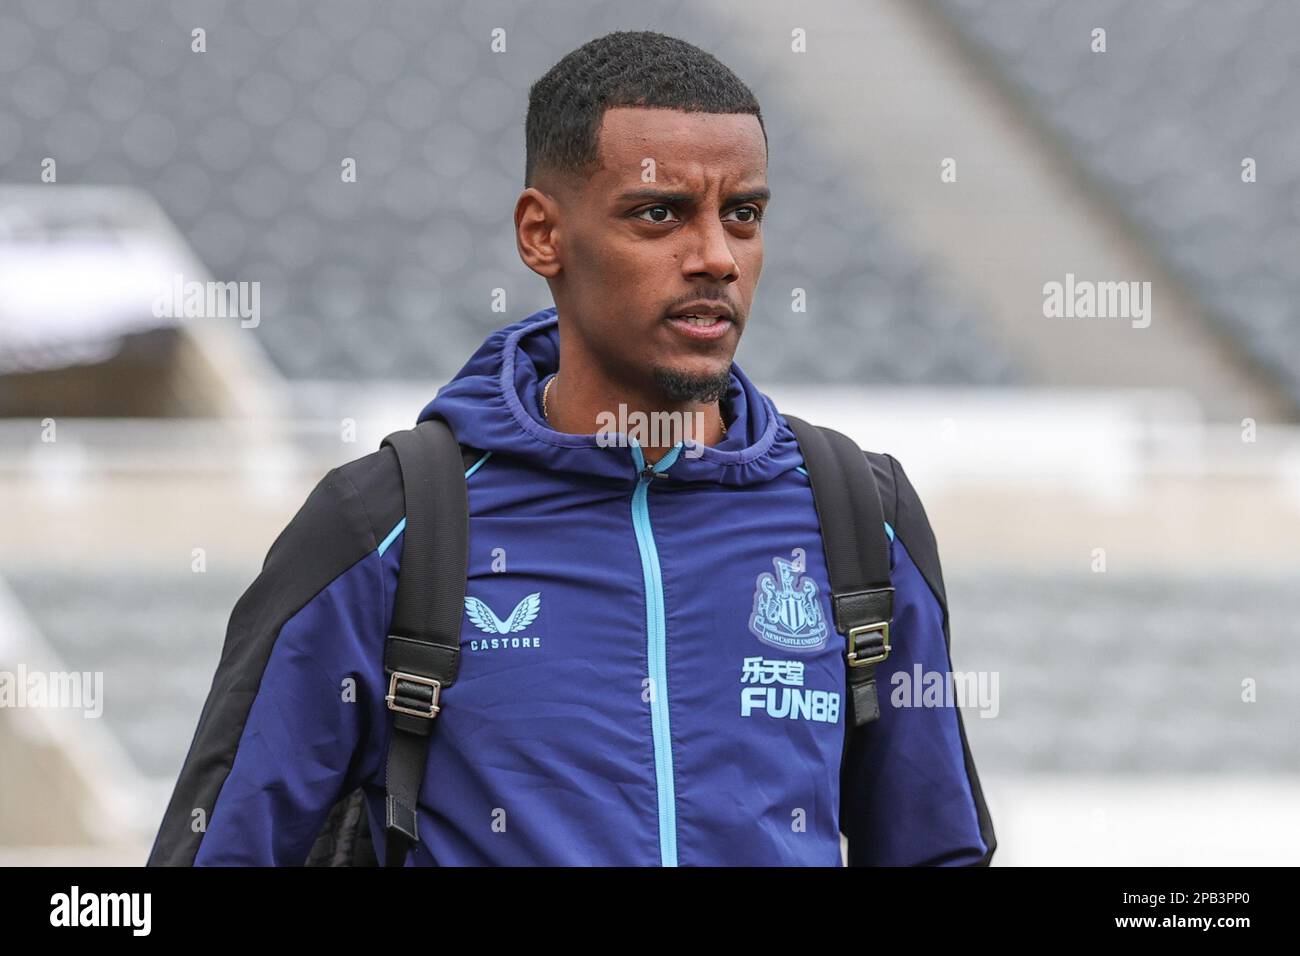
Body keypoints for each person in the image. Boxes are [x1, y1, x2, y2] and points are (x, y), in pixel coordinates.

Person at [148, 30, 995, 866]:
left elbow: (933, 851)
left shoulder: (857, 515)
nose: (715, 257)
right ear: (541, 236)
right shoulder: (386, 524)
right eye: (659, 214)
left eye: (742, 215)